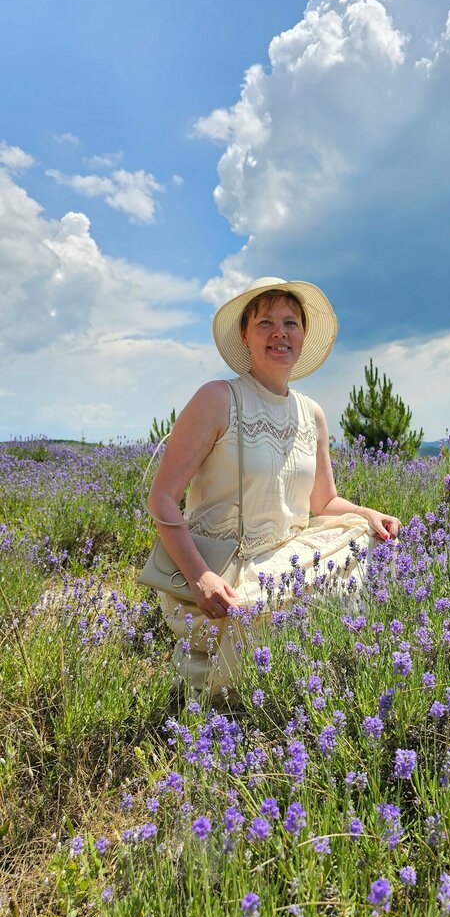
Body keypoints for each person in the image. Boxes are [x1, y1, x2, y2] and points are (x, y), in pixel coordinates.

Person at [147, 276, 400, 695]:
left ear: (302, 336)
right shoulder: (217, 398)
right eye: (265, 322)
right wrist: (200, 577)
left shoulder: (312, 413)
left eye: (291, 322)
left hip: (284, 558)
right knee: (277, 637)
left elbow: (325, 501)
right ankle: (213, 668)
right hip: (222, 570)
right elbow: (162, 499)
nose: (279, 332)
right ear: (245, 335)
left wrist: (368, 514)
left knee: (367, 541)